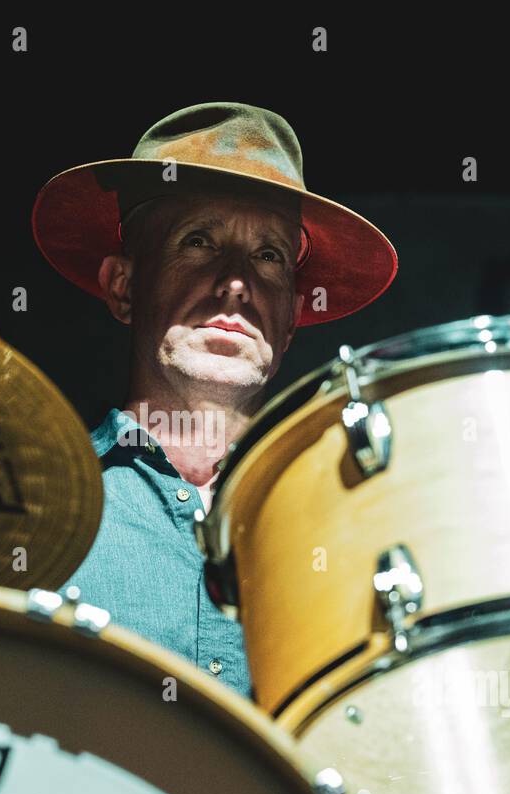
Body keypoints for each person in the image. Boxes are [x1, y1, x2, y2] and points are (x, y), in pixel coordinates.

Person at [31, 102, 397, 698]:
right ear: (124, 287)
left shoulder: (353, 521)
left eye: (268, 256)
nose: (235, 281)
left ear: (291, 317)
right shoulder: (31, 507)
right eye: (199, 241)